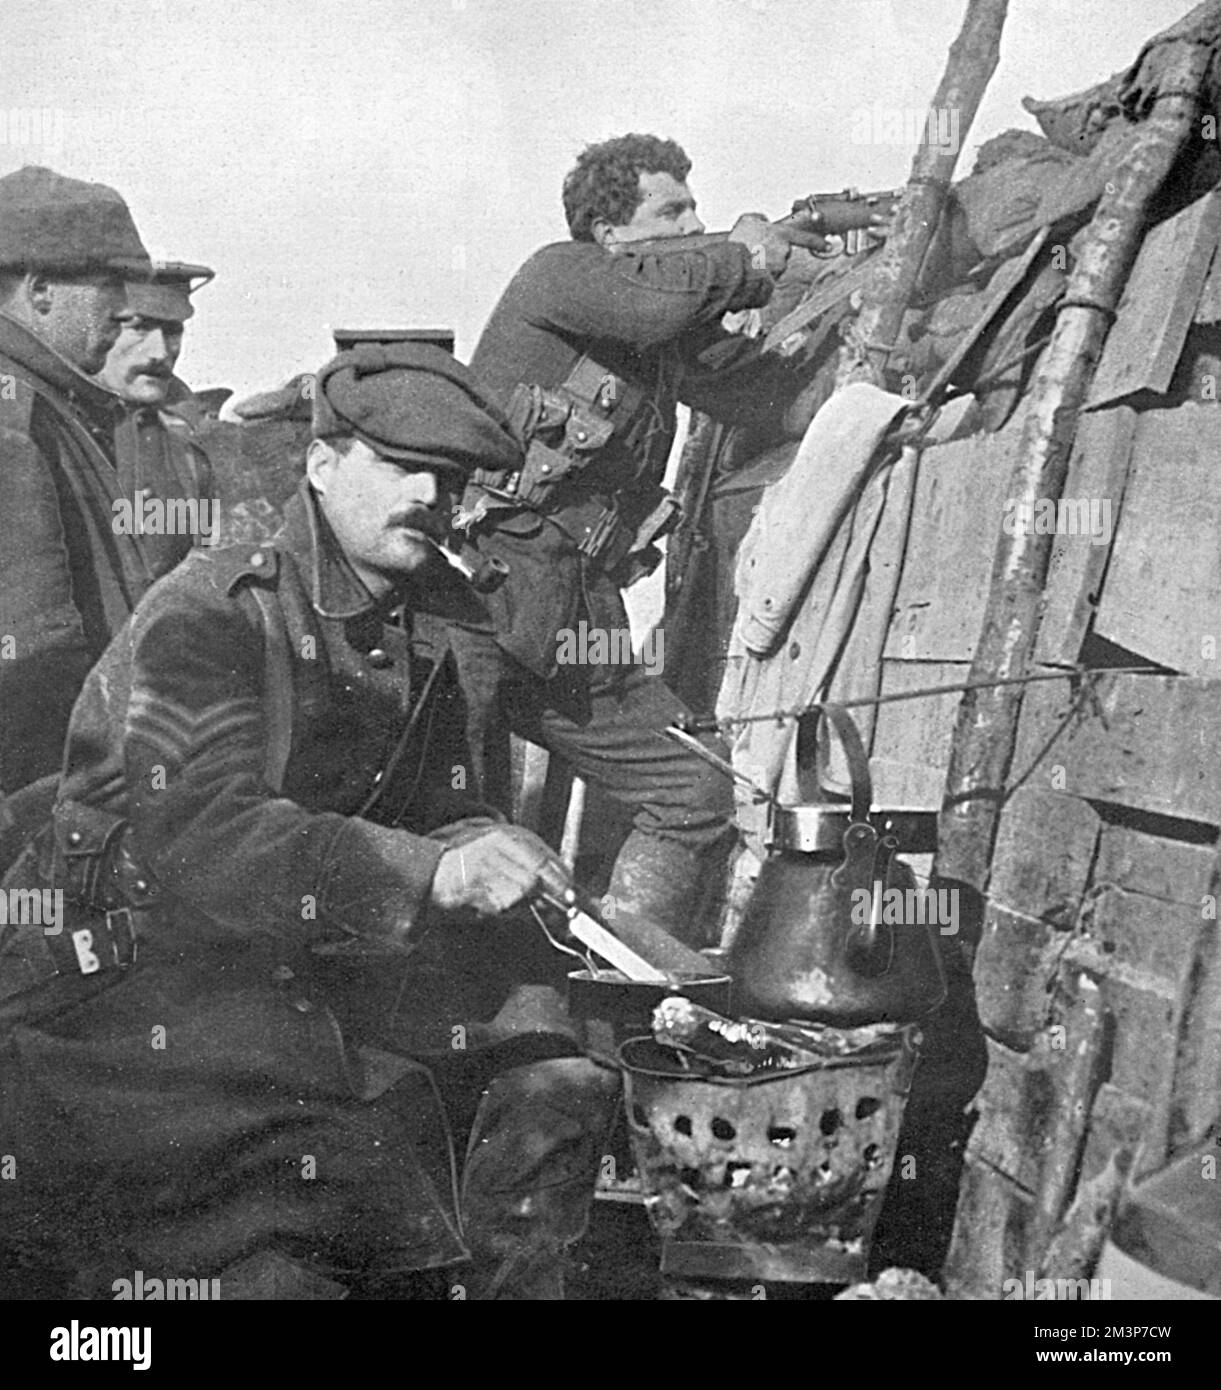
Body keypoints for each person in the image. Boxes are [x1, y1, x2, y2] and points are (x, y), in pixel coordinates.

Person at [0, 343, 619, 1300]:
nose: (427, 492)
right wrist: (430, 875)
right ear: (322, 466)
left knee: (556, 1077)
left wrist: (478, 836)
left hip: (304, 943)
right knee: (314, 1187)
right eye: (399, 466)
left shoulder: (421, 615)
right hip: (131, 971)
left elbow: (431, 796)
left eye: (447, 479)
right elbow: (206, 833)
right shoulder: (209, 610)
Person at [451, 133, 822, 947]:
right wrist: (747, 257)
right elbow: (658, 300)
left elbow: (758, 396)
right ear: (610, 233)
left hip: (570, 614)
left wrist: (860, 365)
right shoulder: (562, 274)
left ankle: (620, 981)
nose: (693, 222)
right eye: (671, 210)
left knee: (689, 786)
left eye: (695, 206)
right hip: (480, 608)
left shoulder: (657, 339)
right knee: (460, 818)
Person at [0, 165, 152, 796]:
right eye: (107, 282)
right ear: (39, 291)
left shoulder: (45, 400)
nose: (126, 309)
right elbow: (30, 655)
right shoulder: (15, 415)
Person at [95, 259, 217, 573]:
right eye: (139, 327)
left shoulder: (189, 445)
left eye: (173, 331)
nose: (160, 352)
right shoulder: (51, 428)